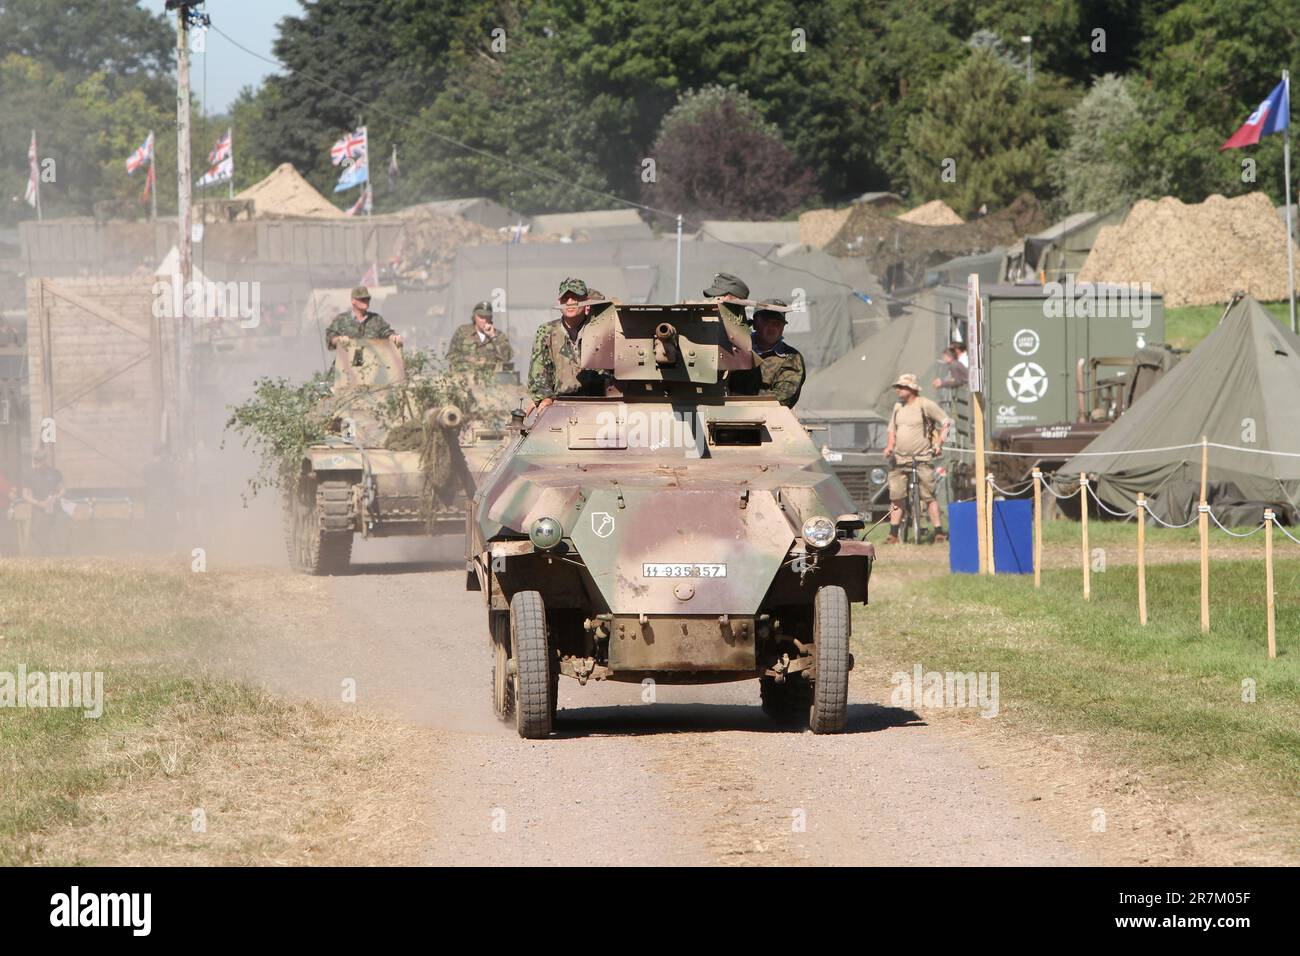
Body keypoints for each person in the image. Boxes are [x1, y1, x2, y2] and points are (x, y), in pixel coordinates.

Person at [882, 373, 952, 545]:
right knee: (896, 496)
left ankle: (938, 532)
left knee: (929, 496)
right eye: (897, 387)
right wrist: (890, 446)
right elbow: (892, 430)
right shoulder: (898, 407)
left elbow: (946, 422)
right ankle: (893, 534)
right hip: (899, 459)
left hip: (922, 458)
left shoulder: (925, 404)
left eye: (902, 387)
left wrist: (939, 443)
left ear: (912, 389)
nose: (898, 390)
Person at [525, 277, 606, 414]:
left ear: (586, 302)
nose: (570, 302)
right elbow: (539, 373)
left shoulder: (600, 330)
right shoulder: (547, 332)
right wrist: (544, 398)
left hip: (598, 404)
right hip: (560, 404)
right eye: (565, 298)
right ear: (559, 302)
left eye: (576, 298)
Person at [729, 298, 806, 408]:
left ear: (783, 327)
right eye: (766, 322)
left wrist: (739, 397)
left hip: (766, 420)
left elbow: (784, 397)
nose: (772, 328)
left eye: (777, 323)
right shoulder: (736, 348)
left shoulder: (791, 358)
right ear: (755, 324)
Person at [324, 287, 403, 359]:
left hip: (371, 365)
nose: (365, 301)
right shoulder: (341, 319)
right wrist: (339, 339)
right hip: (347, 366)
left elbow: (386, 332)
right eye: (362, 299)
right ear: (353, 301)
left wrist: (393, 337)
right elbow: (330, 338)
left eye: (367, 299)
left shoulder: (376, 319)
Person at [447, 301, 512, 372]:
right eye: (481, 317)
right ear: (474, 317)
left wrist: (493, 337)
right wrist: (467, 358)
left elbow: (507, 357)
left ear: (491, 318)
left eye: (487, 317)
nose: (484, 320)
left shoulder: (498, 335)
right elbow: (451, 356)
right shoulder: (463, 332)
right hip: (466, 378)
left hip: (491, 379)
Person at [23, 450, 65, 555]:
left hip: (54, 507)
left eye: (39, 462)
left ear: (45, 461)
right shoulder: (29, 474)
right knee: (37, 533)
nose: (37, 465)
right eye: (35, 462)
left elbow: (63, 489)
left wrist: (56, 498)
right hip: (38, 508)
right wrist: (38, 503)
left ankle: (57, 556)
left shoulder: (55, 473)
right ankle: (42, 556)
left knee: (56, 532)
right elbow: (25, 495)